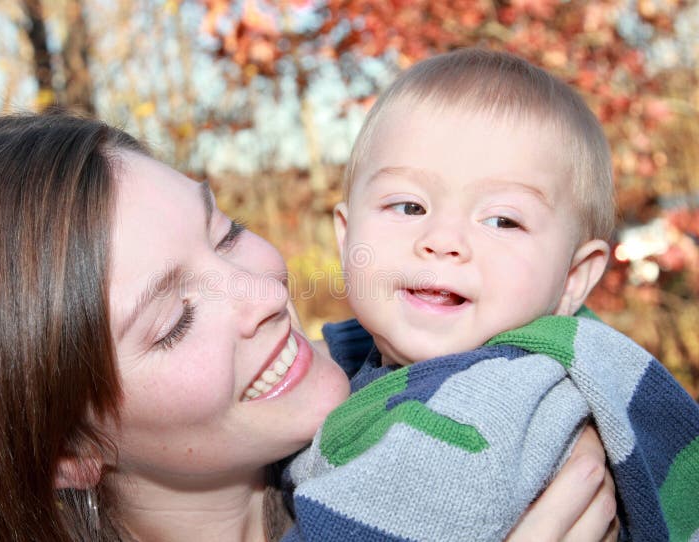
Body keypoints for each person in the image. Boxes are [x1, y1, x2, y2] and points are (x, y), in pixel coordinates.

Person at [0, 113, 619, 542]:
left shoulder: (440, 409)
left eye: (226, 232)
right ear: (70, 451)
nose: (262, 294)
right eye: (175, 321)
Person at [285, 49, 699, 541]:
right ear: (347, 239)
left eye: (503, 220)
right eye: (409, 205)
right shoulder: (397, 358)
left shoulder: (481, 411)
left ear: (573, 278)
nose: (443, 239)